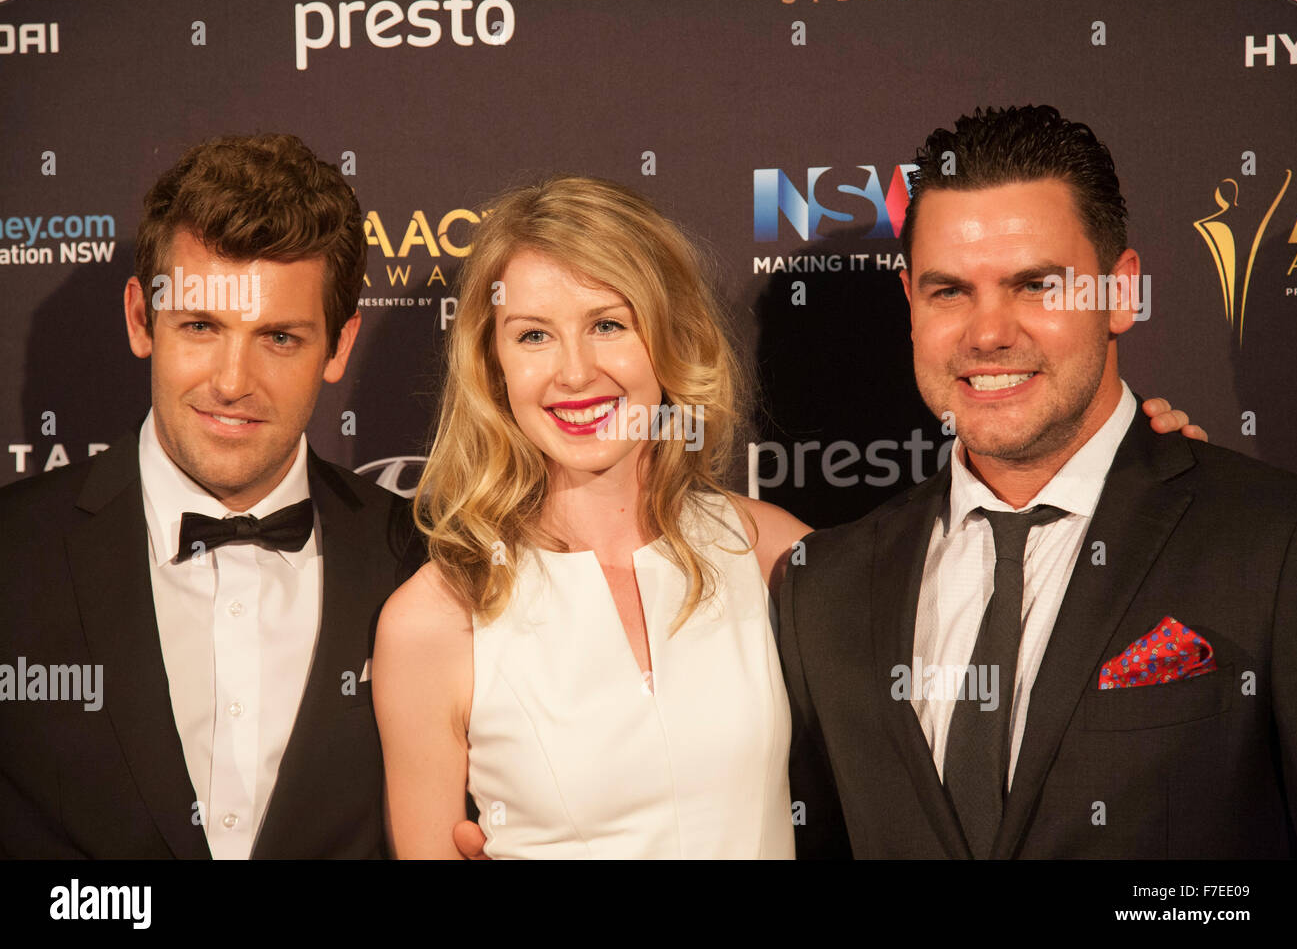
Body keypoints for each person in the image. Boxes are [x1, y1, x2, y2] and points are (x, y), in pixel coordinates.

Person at [375, 173, 1205, 860]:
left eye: (608, 325)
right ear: (491, 363)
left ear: (668, 340)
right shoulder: (436, 619)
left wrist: (1130, 462)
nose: (575, 372)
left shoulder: (778, 555)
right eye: (532, 337)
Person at [780, 105, 1297, 859]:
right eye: (949, 291)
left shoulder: (1272, 542)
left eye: (1035, 285)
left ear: (1121, 293)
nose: (988, 333)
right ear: (910, 307)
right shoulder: (822, 588)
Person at [0, 134, 414, 858]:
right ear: (141, 319)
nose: (232, 382)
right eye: (201, 326)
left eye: (279, 338)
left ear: (339, 346)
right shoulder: (11, 557)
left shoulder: (421, 560)